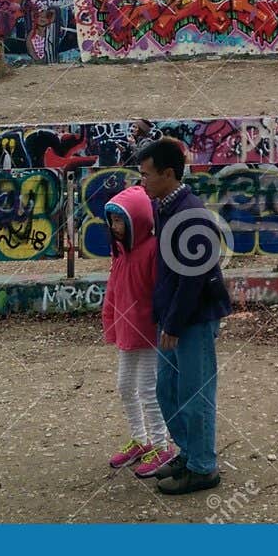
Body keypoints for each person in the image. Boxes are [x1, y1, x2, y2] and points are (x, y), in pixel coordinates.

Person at [137, 139, 231, 495]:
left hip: (192, 318)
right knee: (168, 390)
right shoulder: (165, 206)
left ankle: (203, 467)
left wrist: (173, 323)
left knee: (195, 393)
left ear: (169, 174)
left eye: (146, 175)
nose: (141, 181)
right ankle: (188, 454)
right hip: (173, 317)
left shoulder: (190, 214)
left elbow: (194, 278)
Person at [101, 185, 178, 477]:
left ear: (138, 219)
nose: (115, 226)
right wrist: (110, 320)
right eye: (112, 220)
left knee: (149, 390)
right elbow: (114, 291)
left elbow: (161, 291)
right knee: (124, 386)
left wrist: (164, 325)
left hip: (147, 334)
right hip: (126, 333)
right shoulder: (120, 253)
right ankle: (141, 439)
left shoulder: (152, 251)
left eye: (120, 220)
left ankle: (162, 445)